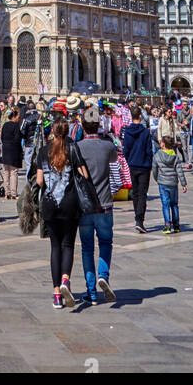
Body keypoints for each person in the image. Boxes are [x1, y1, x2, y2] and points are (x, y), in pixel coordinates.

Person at [35, 118, 88, 310]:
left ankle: (57, 293)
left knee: (55, 248)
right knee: (68, 245)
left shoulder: (43, 151)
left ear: (53, 132)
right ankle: (66, 279)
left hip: (50, 205)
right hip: (70, 204)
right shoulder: (72, 149)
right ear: (67, 132)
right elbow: (85, 176)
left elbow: (40, 182)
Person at [74, 99, 120, 305]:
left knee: (86, 248)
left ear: (82, 126)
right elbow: (114, 160)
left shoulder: (77, 148)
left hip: (84, 207)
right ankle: (104, 275)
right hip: (105, 205)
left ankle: (91, 292)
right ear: (99, 125)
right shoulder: (108, 147)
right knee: (105, 243)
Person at [122, 105, 154, 233]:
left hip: (133, 165)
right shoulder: (145, 132)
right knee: (142, 194)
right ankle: (140, 220)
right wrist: (149, 163)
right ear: (140, 117)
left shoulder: (127, 132)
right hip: (144, 166)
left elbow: (125, 150)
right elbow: (149, 150)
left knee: (135, 193)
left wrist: (130, 160)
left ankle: (137, 219)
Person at [152, 130, 187, 232]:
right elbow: (179, 170)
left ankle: (167, 225)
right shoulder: (175, 155)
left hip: (163, 182)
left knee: (165, 204)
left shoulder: (158, 155)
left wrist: (157, 178)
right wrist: (183, 183)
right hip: (173, 183)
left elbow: (154, 169)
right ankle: (176, 225)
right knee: (174, 204)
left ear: (162, 144)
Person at [0, 106, 23, 200]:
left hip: (5, 149)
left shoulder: (5, 125)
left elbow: (2, 137)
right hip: (14, 151)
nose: (18, 119)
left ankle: (7, 193)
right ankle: (13, 194)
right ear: (14, 117)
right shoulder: (16, 126)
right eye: (18, 117)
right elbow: (18, 139)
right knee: (13, 172)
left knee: (6, 172)